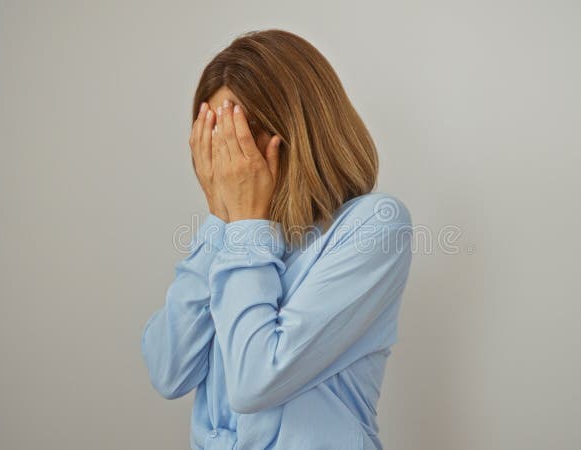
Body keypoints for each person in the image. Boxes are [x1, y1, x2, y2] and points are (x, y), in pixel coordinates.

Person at [140, 29, 413, 450]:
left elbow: (255, 382)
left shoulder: (375, 224)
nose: (229, 156)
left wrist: (245, 224)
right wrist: (220, 219)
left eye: (240, 133)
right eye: (216, 135)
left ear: (296, 132)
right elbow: (168, 370)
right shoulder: (236, 235)